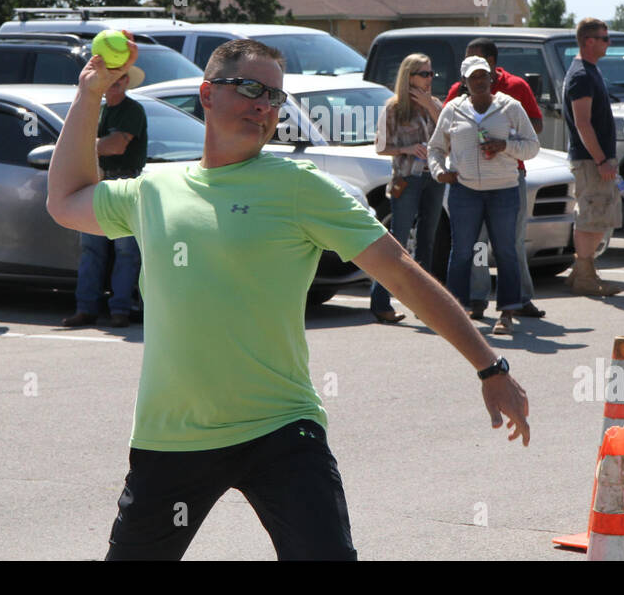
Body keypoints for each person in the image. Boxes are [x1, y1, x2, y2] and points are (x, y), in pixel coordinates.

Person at [45, 37, 530, 561]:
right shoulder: (155, 189)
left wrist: (489, 366)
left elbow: (403, 274)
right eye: (250, 89)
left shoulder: (301, 187)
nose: (264, 105)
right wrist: (90, 92)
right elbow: (66, 200)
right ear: (207, 94)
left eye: (274, 98)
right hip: (174, 437)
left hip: (281, 429)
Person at [429, 56, 540, 333]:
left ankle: (506, 313)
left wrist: (505, 146)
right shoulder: (453, 110)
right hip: (464, 191)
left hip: (503, 190)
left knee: (505, 251)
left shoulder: (509, 107)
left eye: (483, 76)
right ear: (463, 83)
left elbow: (532, 146)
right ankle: (457, 312)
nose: (479, 82)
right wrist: (439, 171)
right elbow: (435, 148)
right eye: (472, 78)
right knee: (463, 252)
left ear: (491, 79)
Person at [62, 62, 148, 329]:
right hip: (98, 181)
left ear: (126, 82)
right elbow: (101, 146)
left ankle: (120, 310)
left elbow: (116, 146)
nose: (116, 82)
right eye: (112, 78)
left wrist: (86, 146)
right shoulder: (98, 111)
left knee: (125, 252)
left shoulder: (132, 110)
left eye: (121, 78)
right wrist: (92, 147)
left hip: (124, 181)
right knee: (92, 249)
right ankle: (86, 309)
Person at [367, 53, 444, 324]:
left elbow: (450, 133)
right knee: (397, 242)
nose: (429, 79)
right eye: (424, 73)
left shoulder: (435, 104)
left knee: (428, 240)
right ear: (409, 76)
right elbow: (380, 146)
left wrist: (432, 107)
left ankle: (425, 305)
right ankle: (380, 302)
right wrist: (407, 148)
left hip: (433, 178)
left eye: (431, 73)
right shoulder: (394, 107)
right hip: (406, 179)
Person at [562, 18, 624, 296]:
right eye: (603, 38)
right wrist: (601, 160)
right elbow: (582, 123)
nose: (608, 42)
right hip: (590, 161)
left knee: (597, 216)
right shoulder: (581, 75)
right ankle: (585, 277)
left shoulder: (589, 71)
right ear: (588, 41)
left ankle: (583, 273)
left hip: (594, 160)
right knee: (592, 215)